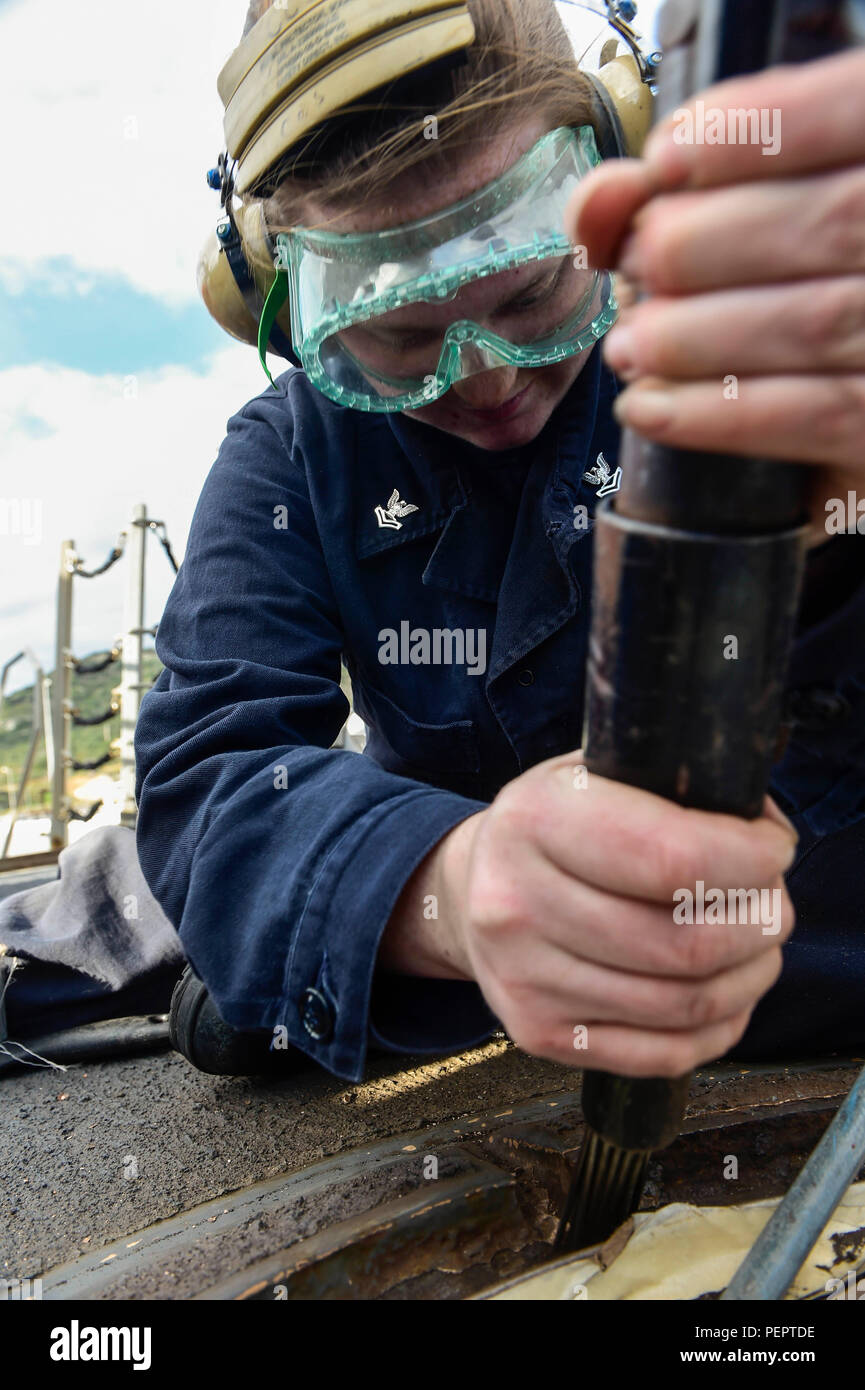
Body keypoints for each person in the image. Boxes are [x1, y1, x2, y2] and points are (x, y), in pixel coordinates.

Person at [134, 0, 865, 1083]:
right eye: (398, 332)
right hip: (504, 1005)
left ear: (610, 172)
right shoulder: (291, 457)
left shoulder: (756, 329)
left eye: (530, 293)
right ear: (284, 306)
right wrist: (451, 891)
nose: (488, 379)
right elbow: (210, 773)